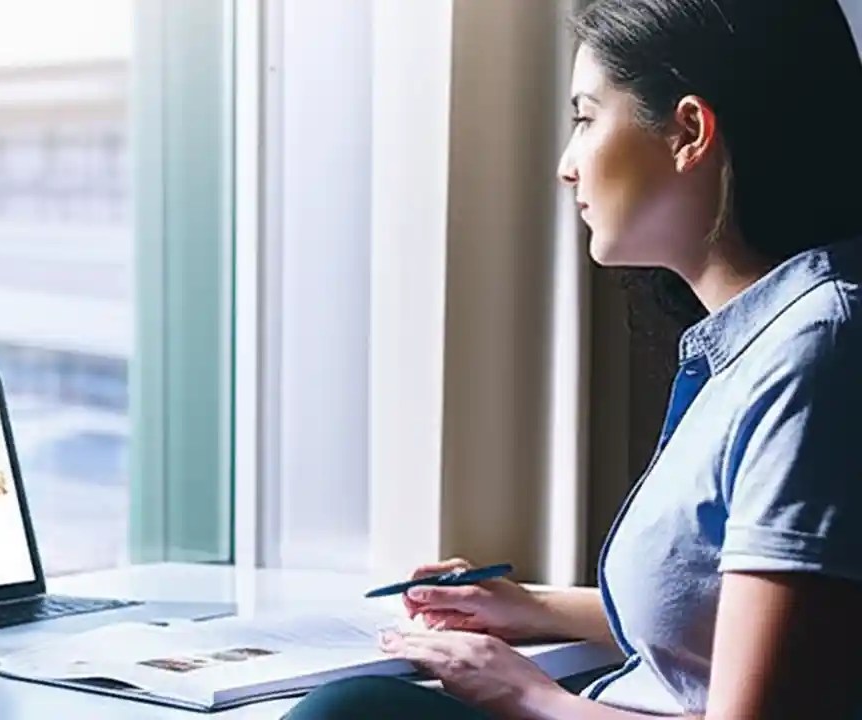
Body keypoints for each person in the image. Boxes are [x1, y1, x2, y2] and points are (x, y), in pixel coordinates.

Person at [287, 1, 862, 718]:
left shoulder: (816, 356)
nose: (566, 166)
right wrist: (532, 605)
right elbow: (729, 614)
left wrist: (528, 694)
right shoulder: (772, 342)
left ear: (688, 132)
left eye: (586, 119)